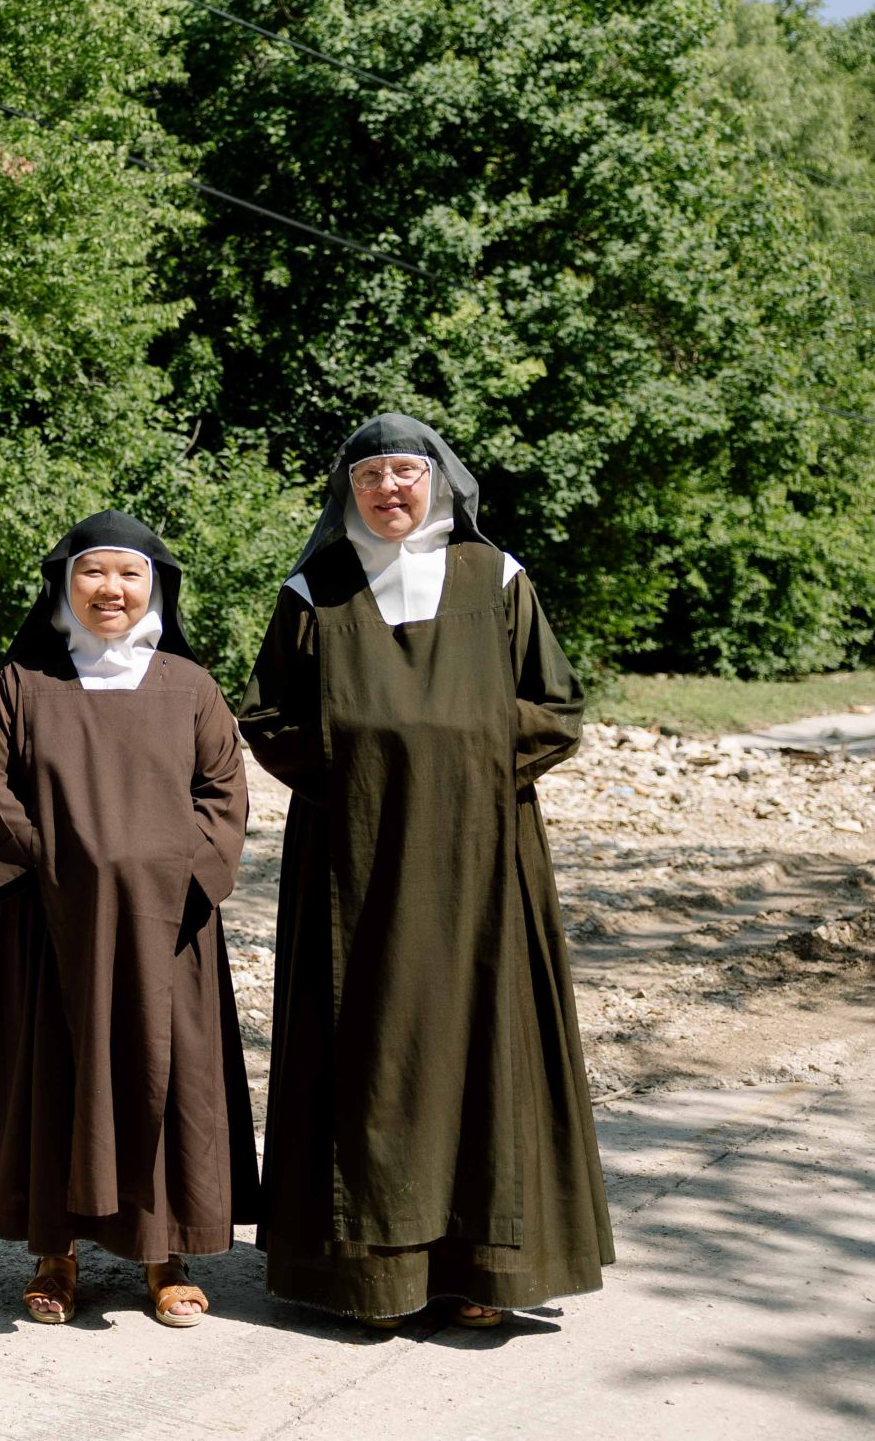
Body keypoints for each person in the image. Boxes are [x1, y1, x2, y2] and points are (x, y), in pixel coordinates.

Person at [239, 413, 612, 1329]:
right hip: (353, 852)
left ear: (438, 481)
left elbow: (556, 706)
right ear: (349, 491)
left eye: (404, 472)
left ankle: (484, 1270)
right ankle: (368, 1278)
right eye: (369, 477)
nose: (388, 490)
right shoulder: (315, 589)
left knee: (486, 1039)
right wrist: (366, 765)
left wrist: (459, 752)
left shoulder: (496, 578)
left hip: (482, 851)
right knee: (365, 1048)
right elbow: (268, 716)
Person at [0, 511, 256, 1329]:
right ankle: (56, 1252)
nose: (111, 590)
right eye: (93, 572)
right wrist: (58, 868)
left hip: (169, 927)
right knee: (59, 1078)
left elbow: (223, 794)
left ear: (154, 587)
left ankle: (166, 1255)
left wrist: (175, 877)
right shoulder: (22, 685)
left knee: (164, 1079)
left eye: (129, 574)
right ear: (66, 585)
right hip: (52, 926)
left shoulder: (190, 686)